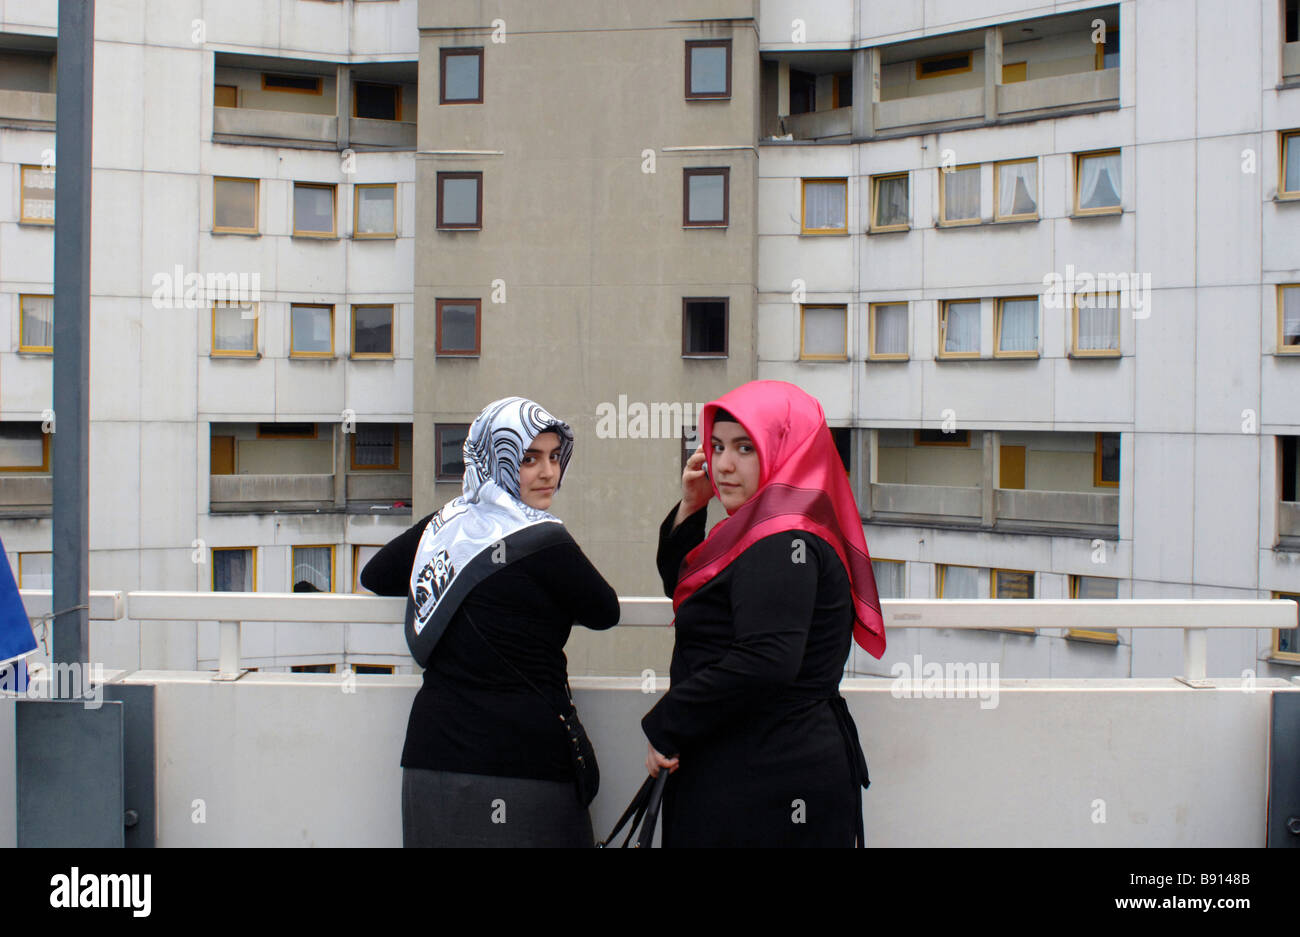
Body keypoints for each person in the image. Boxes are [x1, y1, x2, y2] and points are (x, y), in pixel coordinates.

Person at [361, 396, 619, 847]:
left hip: (433, 764)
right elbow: (605, 611)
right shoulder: (545, 541)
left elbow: (377, 575)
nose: (548, 473)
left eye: (555, 457)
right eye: (528, 458)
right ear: (496, 458)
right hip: (527, 767)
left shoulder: (445, 526)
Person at [640, 380, 886, 847]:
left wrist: (667, 724)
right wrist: (693, 505)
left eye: (744, 448)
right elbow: (693, 594)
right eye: (716, 446)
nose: (723, 464)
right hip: (768, 765)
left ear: (786, 449)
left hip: (765, 777)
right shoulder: (774, 530)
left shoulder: (782, 541)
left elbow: (767, 658)